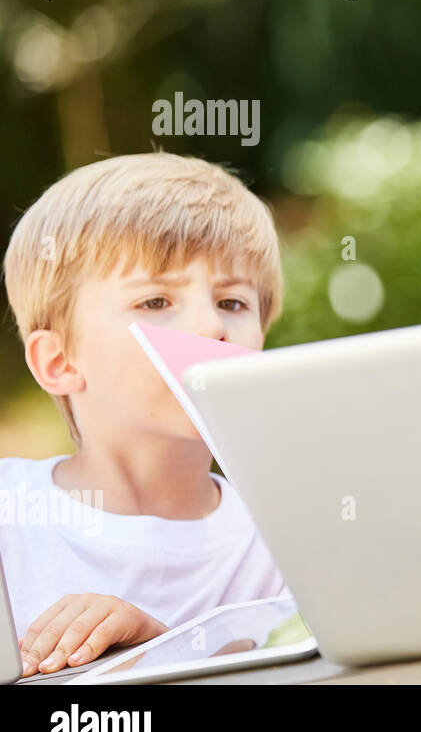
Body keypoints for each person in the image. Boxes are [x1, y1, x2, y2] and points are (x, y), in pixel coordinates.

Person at [1, 152, 287, 676]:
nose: (211, 328)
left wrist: (158, 651)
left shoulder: (289, 533)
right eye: (155, 302)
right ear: (60, 361)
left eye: (233, 303)